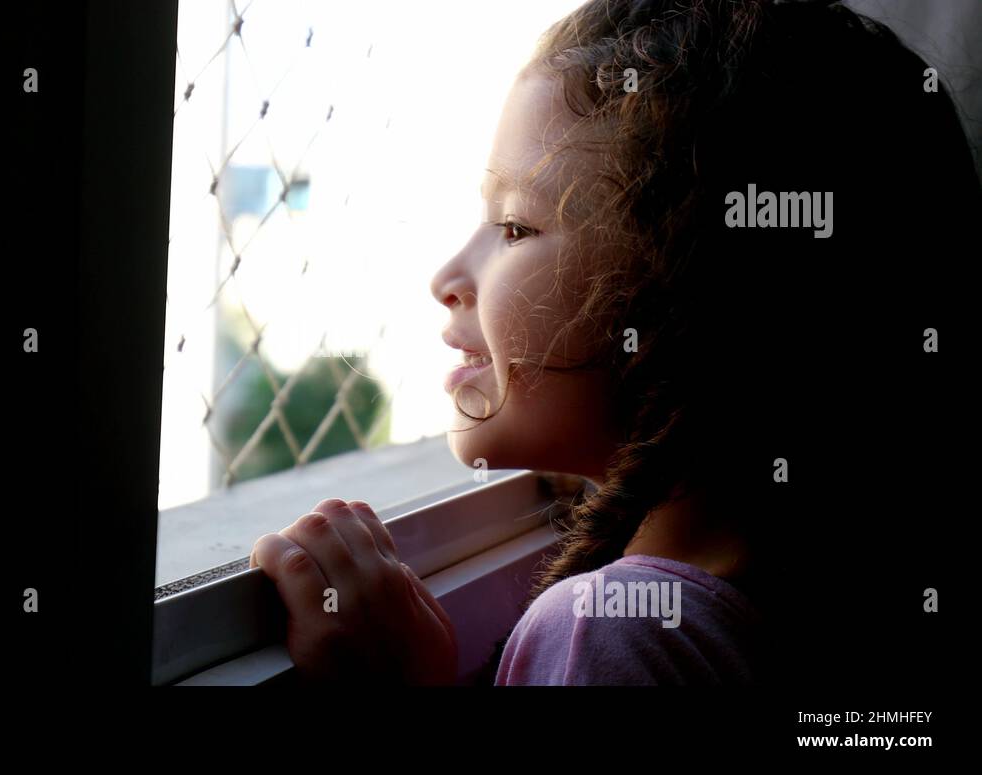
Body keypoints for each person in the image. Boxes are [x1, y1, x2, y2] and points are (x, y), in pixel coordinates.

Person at [249, 0, 979, 685]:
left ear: (684, 304)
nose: (447, 277)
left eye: (514, 228)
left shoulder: (609, 637)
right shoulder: (821, 588)